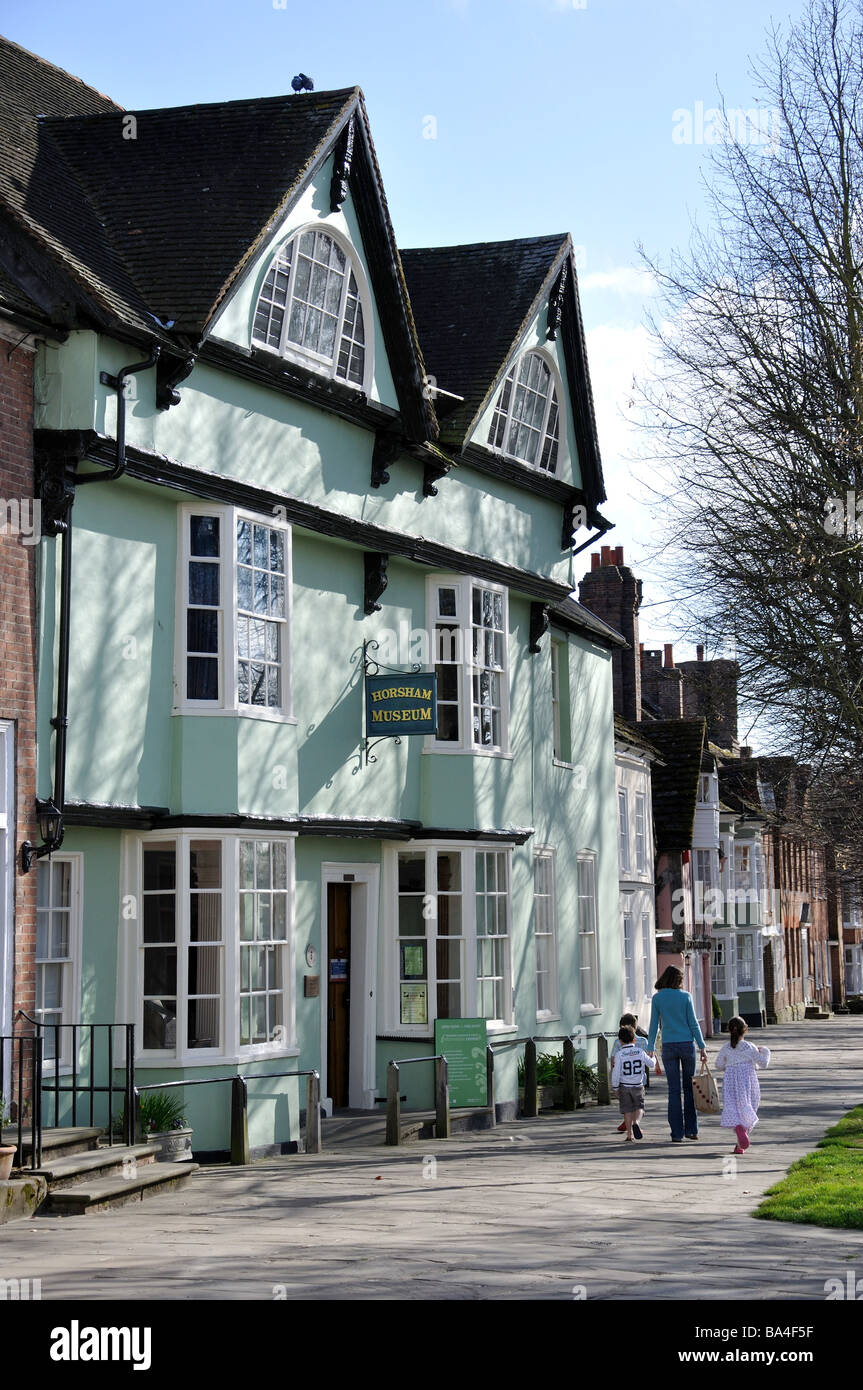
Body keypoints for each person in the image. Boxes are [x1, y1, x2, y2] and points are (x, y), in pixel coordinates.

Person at [646, 965, 707, 1142]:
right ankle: (692, 1130)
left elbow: (653, 1025)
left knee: (673, 1091)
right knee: (689, 1089)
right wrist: (702, 1046)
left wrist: (650, 1046)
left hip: (668, 1047)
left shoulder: (657, 998)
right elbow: (693, 1023)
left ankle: (677, 1134)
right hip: (687, 1045)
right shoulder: (685, 997)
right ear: (678, 980)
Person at [715, 1016, 770, 1153]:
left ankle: (739, 1138)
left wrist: (729, 1065)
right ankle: (743, 1131)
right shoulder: (749, 1047)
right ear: (744, 1030)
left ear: (729, 1031)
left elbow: (718, 1064)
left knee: (733, 1106)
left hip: (730, 1082)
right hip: (748, 1082)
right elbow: (763, 1063)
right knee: (750, 1104)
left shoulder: (726, 1048)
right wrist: (765, 1050)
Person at [610, 1012, 660, 1132]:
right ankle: (635, 1123)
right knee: (638, 1105)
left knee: (627, 1105)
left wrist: (614, 1082)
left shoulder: (618, 1042)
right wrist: (657, 1064)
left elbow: (613, 1061)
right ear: (636, 1027)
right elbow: (651, 1054)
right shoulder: (643, 1041)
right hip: (639, 1080)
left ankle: (629, 1129)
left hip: (624, 1081)